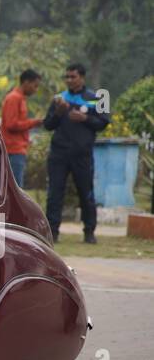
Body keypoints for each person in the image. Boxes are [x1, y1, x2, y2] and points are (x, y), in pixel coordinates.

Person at [43, 63, 110, 244]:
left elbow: (104, 122)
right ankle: (53, 231)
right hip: (59, 154)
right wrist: (58, 113)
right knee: (55, 193)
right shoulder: (59, 99)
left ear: (82, 77)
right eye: (67, 77)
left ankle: (89, 231)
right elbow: (48, 124)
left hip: (82, 154)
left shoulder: (94, 98)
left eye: (73, 77)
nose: (70, 80)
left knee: (86, 193)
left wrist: (86, 118)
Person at [1, 68, 42, 187]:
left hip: (18, 148)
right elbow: (11, 124)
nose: (36, 89)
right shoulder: (14, 98)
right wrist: (33, 122)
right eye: (35, 86)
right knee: (16, 188)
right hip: (13, 149)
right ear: (26, 82)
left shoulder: (21, 98)